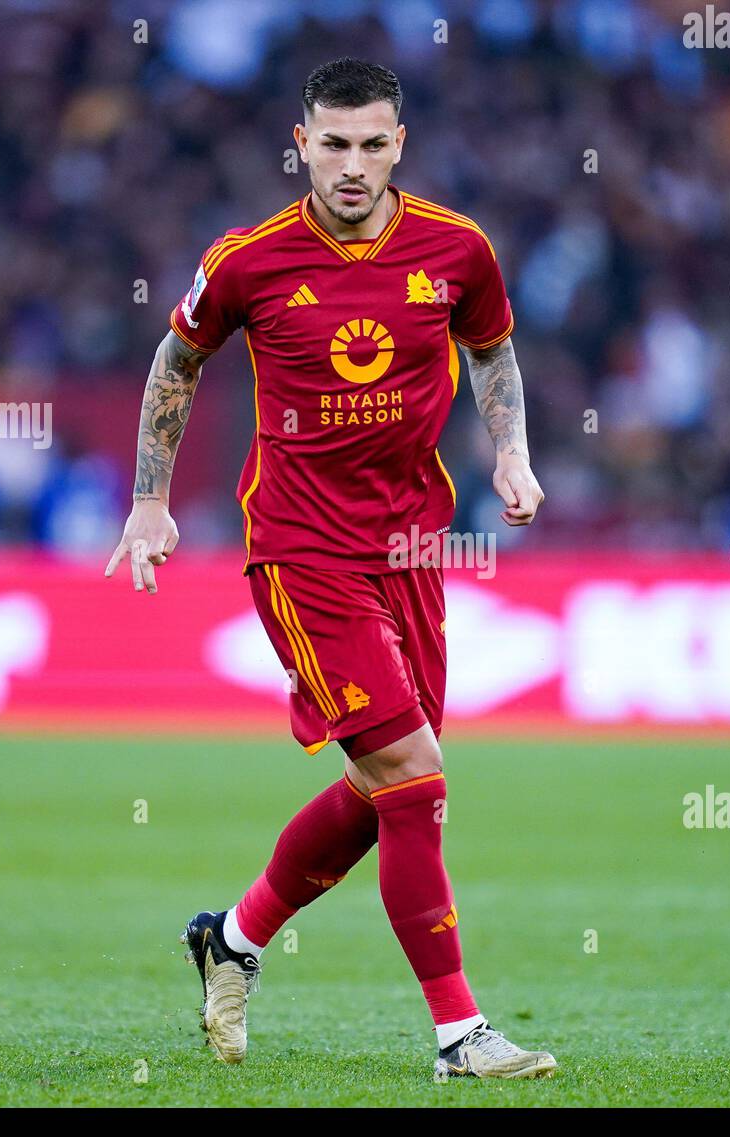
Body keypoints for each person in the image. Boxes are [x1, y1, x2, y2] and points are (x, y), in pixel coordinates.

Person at [105, 58, 553, 1080]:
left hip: (411, 544)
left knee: (383, 783)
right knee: (413, 771)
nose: (352, 166)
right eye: (333, 143)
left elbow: (492, 350)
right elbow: (176, 363)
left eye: (372, 143)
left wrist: (511, 450)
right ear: (299, 143)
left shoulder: (457, 249)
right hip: (303, 549)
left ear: (402, 145)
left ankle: (234, 937)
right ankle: (458, 1035)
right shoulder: (249, 261)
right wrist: (147, 500)